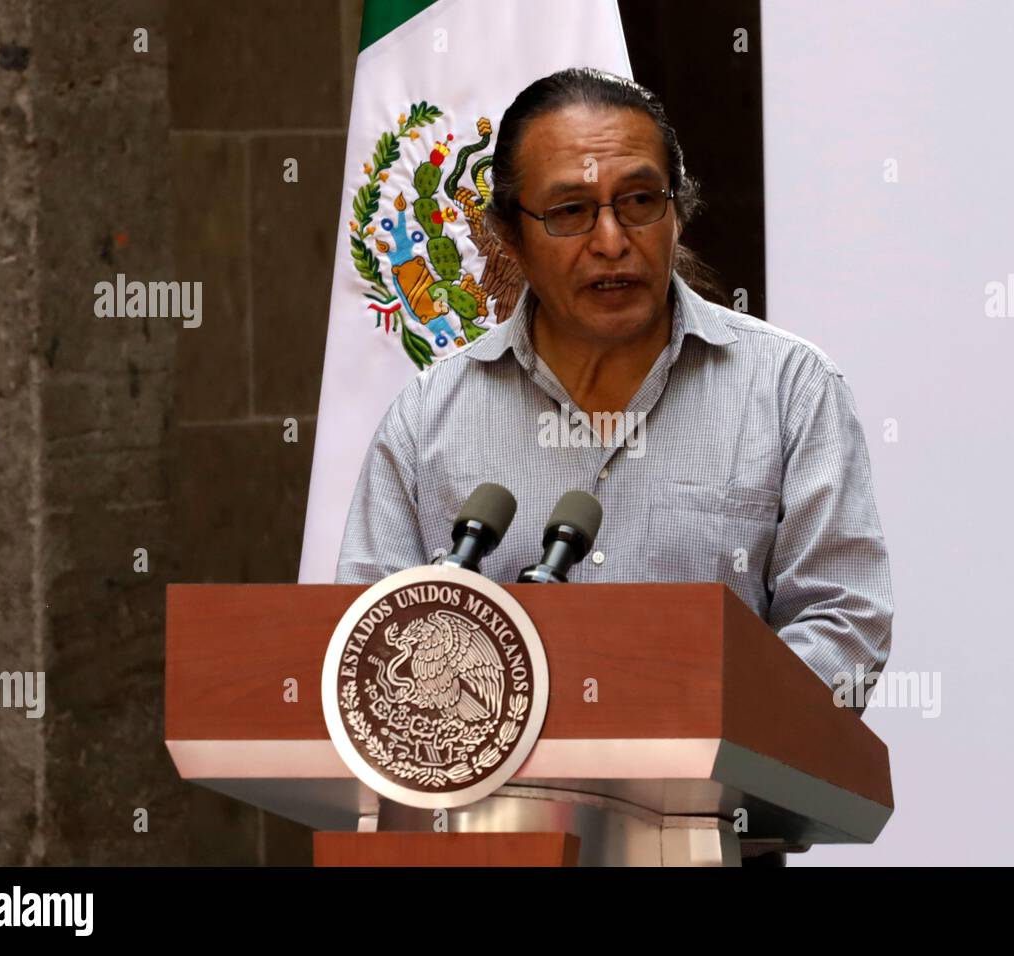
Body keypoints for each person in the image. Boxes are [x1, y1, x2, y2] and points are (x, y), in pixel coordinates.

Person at [337, 67, 894, 716]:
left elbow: (841, 622)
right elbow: (370, 648)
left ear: (678, 214)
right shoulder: (429, 417)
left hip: (720, 811)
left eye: (639, 202)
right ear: (509, 237)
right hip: (499, 812)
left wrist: (678, 728)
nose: (611, 241)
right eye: (571, 211)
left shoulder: (790, 391)